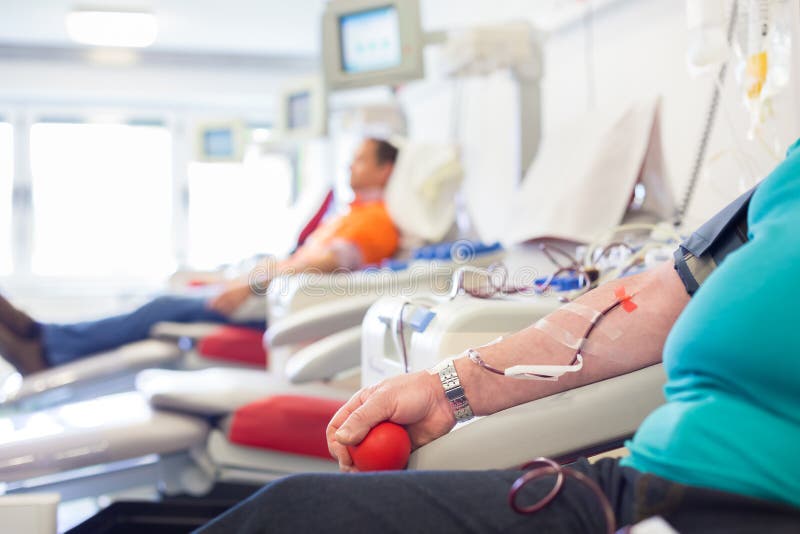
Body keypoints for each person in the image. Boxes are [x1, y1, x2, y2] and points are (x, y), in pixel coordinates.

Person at [194, 140, 800, 534]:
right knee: (290, 517)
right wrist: (447, 388)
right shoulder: (789, 176)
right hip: (636, 487)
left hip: (733, 510)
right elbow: (665, 292)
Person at [0, 138, 400, 375]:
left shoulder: (377, 223)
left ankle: (46, 346)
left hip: (282, 308)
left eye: (361, 159)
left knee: (159, 308)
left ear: (385, 170)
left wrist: (247, 283)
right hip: (273, 294)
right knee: (164, 303)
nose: (350, 164)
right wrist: (234, 279)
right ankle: (38, 334)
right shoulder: (349, 214)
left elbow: (326, 265)